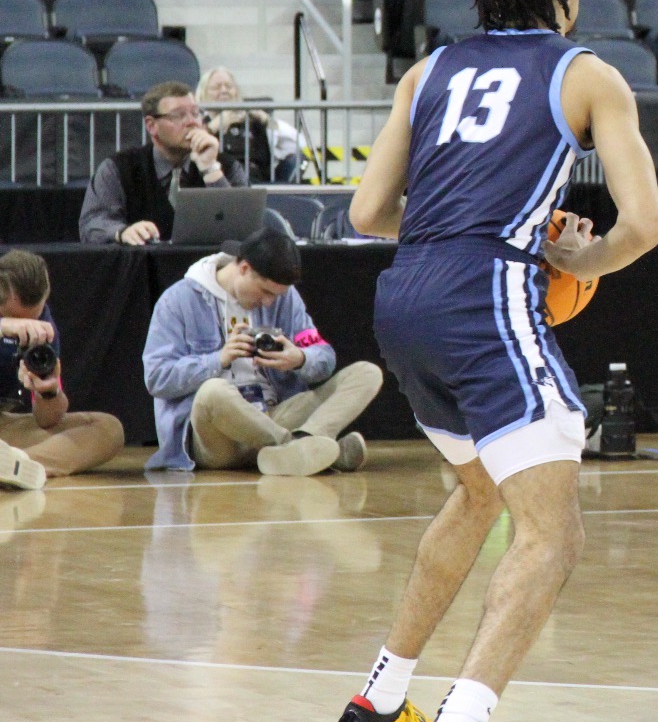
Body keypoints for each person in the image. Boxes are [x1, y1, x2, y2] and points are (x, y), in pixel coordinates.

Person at [340, 0, 658, 722]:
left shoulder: (428, 71)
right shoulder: (587, 74)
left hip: (405, 297)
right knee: (553, 535)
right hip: (484, 299)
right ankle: (465, 716)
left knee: (479, 493)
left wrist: (463, 221)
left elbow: (368, 210)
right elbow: (644, 224)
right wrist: (576, 261)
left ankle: (378, 698)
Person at [141, 227, 382, 474]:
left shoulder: (286, 299)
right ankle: (303, 448)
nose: (270, 302)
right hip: (218, 436)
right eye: (265, 292)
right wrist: (218, 359)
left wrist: (300, 359)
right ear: (244, 268)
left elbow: (323, 354)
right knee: (213, 392)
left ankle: (297, 447)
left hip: (273, 414)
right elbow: (156, 378)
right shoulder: (178, 301)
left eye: (277, 295)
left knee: (366, 372)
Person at [0, 249, 124, 487]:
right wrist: (4, 326)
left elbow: (48, 420)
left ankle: (21, 467)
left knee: (107, 428)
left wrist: (48, 391)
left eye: (34, 317)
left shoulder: (43, 328)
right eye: (19, 319)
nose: (29, 326)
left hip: (4, 428)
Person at [79, 80, 247, 244]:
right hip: (142, 267)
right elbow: (92, 224)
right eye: (179, 115)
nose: (192, 122)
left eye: (196, 113)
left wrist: (210, 170)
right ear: (152, 126)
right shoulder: (118, 168)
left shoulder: (226, 166)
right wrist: (122, 232)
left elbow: (243, 229)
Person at [200, 66, 303, 183]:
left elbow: (299, 143)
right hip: (219, 186)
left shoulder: (254, 121)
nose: (224, 90)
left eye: (229, 86)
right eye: (216, 87)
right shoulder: (199, 121)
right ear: (203, 94)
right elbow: (188, 153)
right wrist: (213, 126)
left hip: (258, 186)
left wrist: (266, 120)